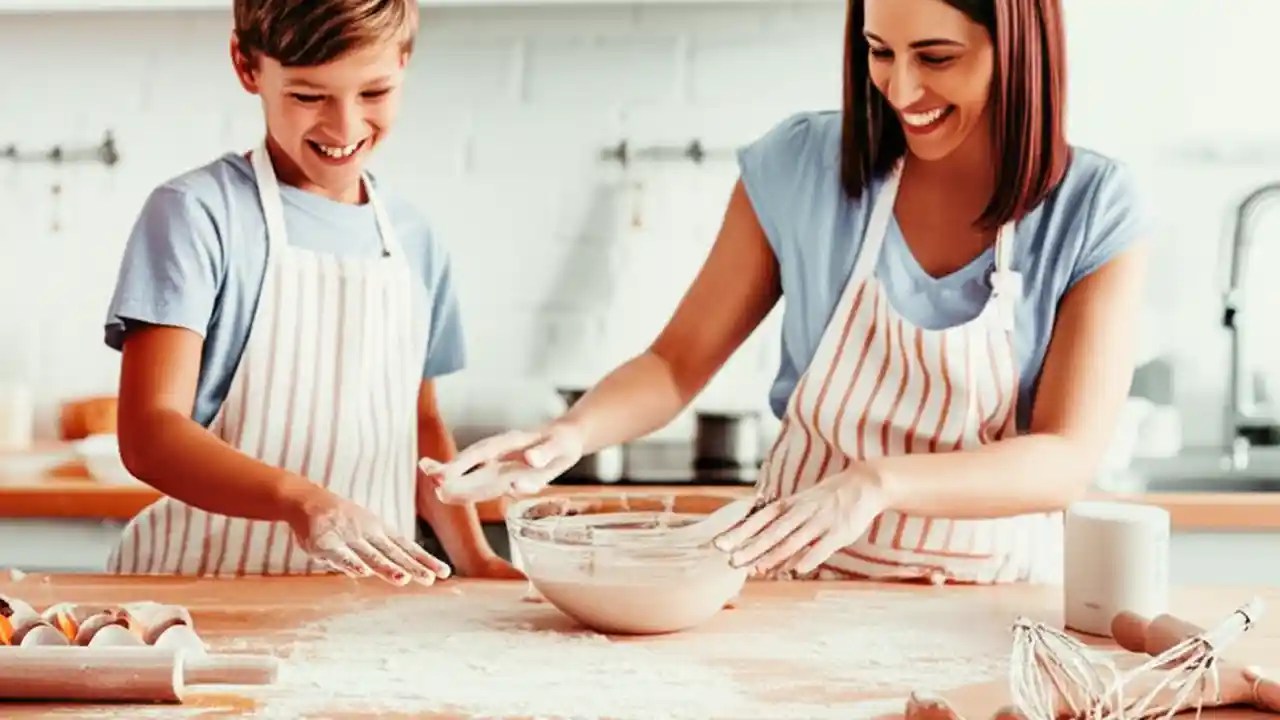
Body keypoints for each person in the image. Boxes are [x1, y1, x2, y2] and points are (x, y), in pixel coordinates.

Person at [422, 0, 1149, 584]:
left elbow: (1066, 456)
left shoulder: (1092, 206)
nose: (900, 88)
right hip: (797, 585)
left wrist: (875, 484)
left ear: (1019, 44)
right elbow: (677, 363)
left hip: (983, 606)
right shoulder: (801, 167)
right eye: (878, 51)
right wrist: (570, 436)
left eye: (936, 57)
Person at [100, 0, 520, 585]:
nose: (345, 127)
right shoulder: (198, 215)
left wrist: (476, 559)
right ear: (247, 67)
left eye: (373, 93)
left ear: (404, 62)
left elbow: (417, 426)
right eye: (308, 96)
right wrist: (305, 501)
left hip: (365, 609)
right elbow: (150, 436)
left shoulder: (412, 238)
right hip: (202, 598)